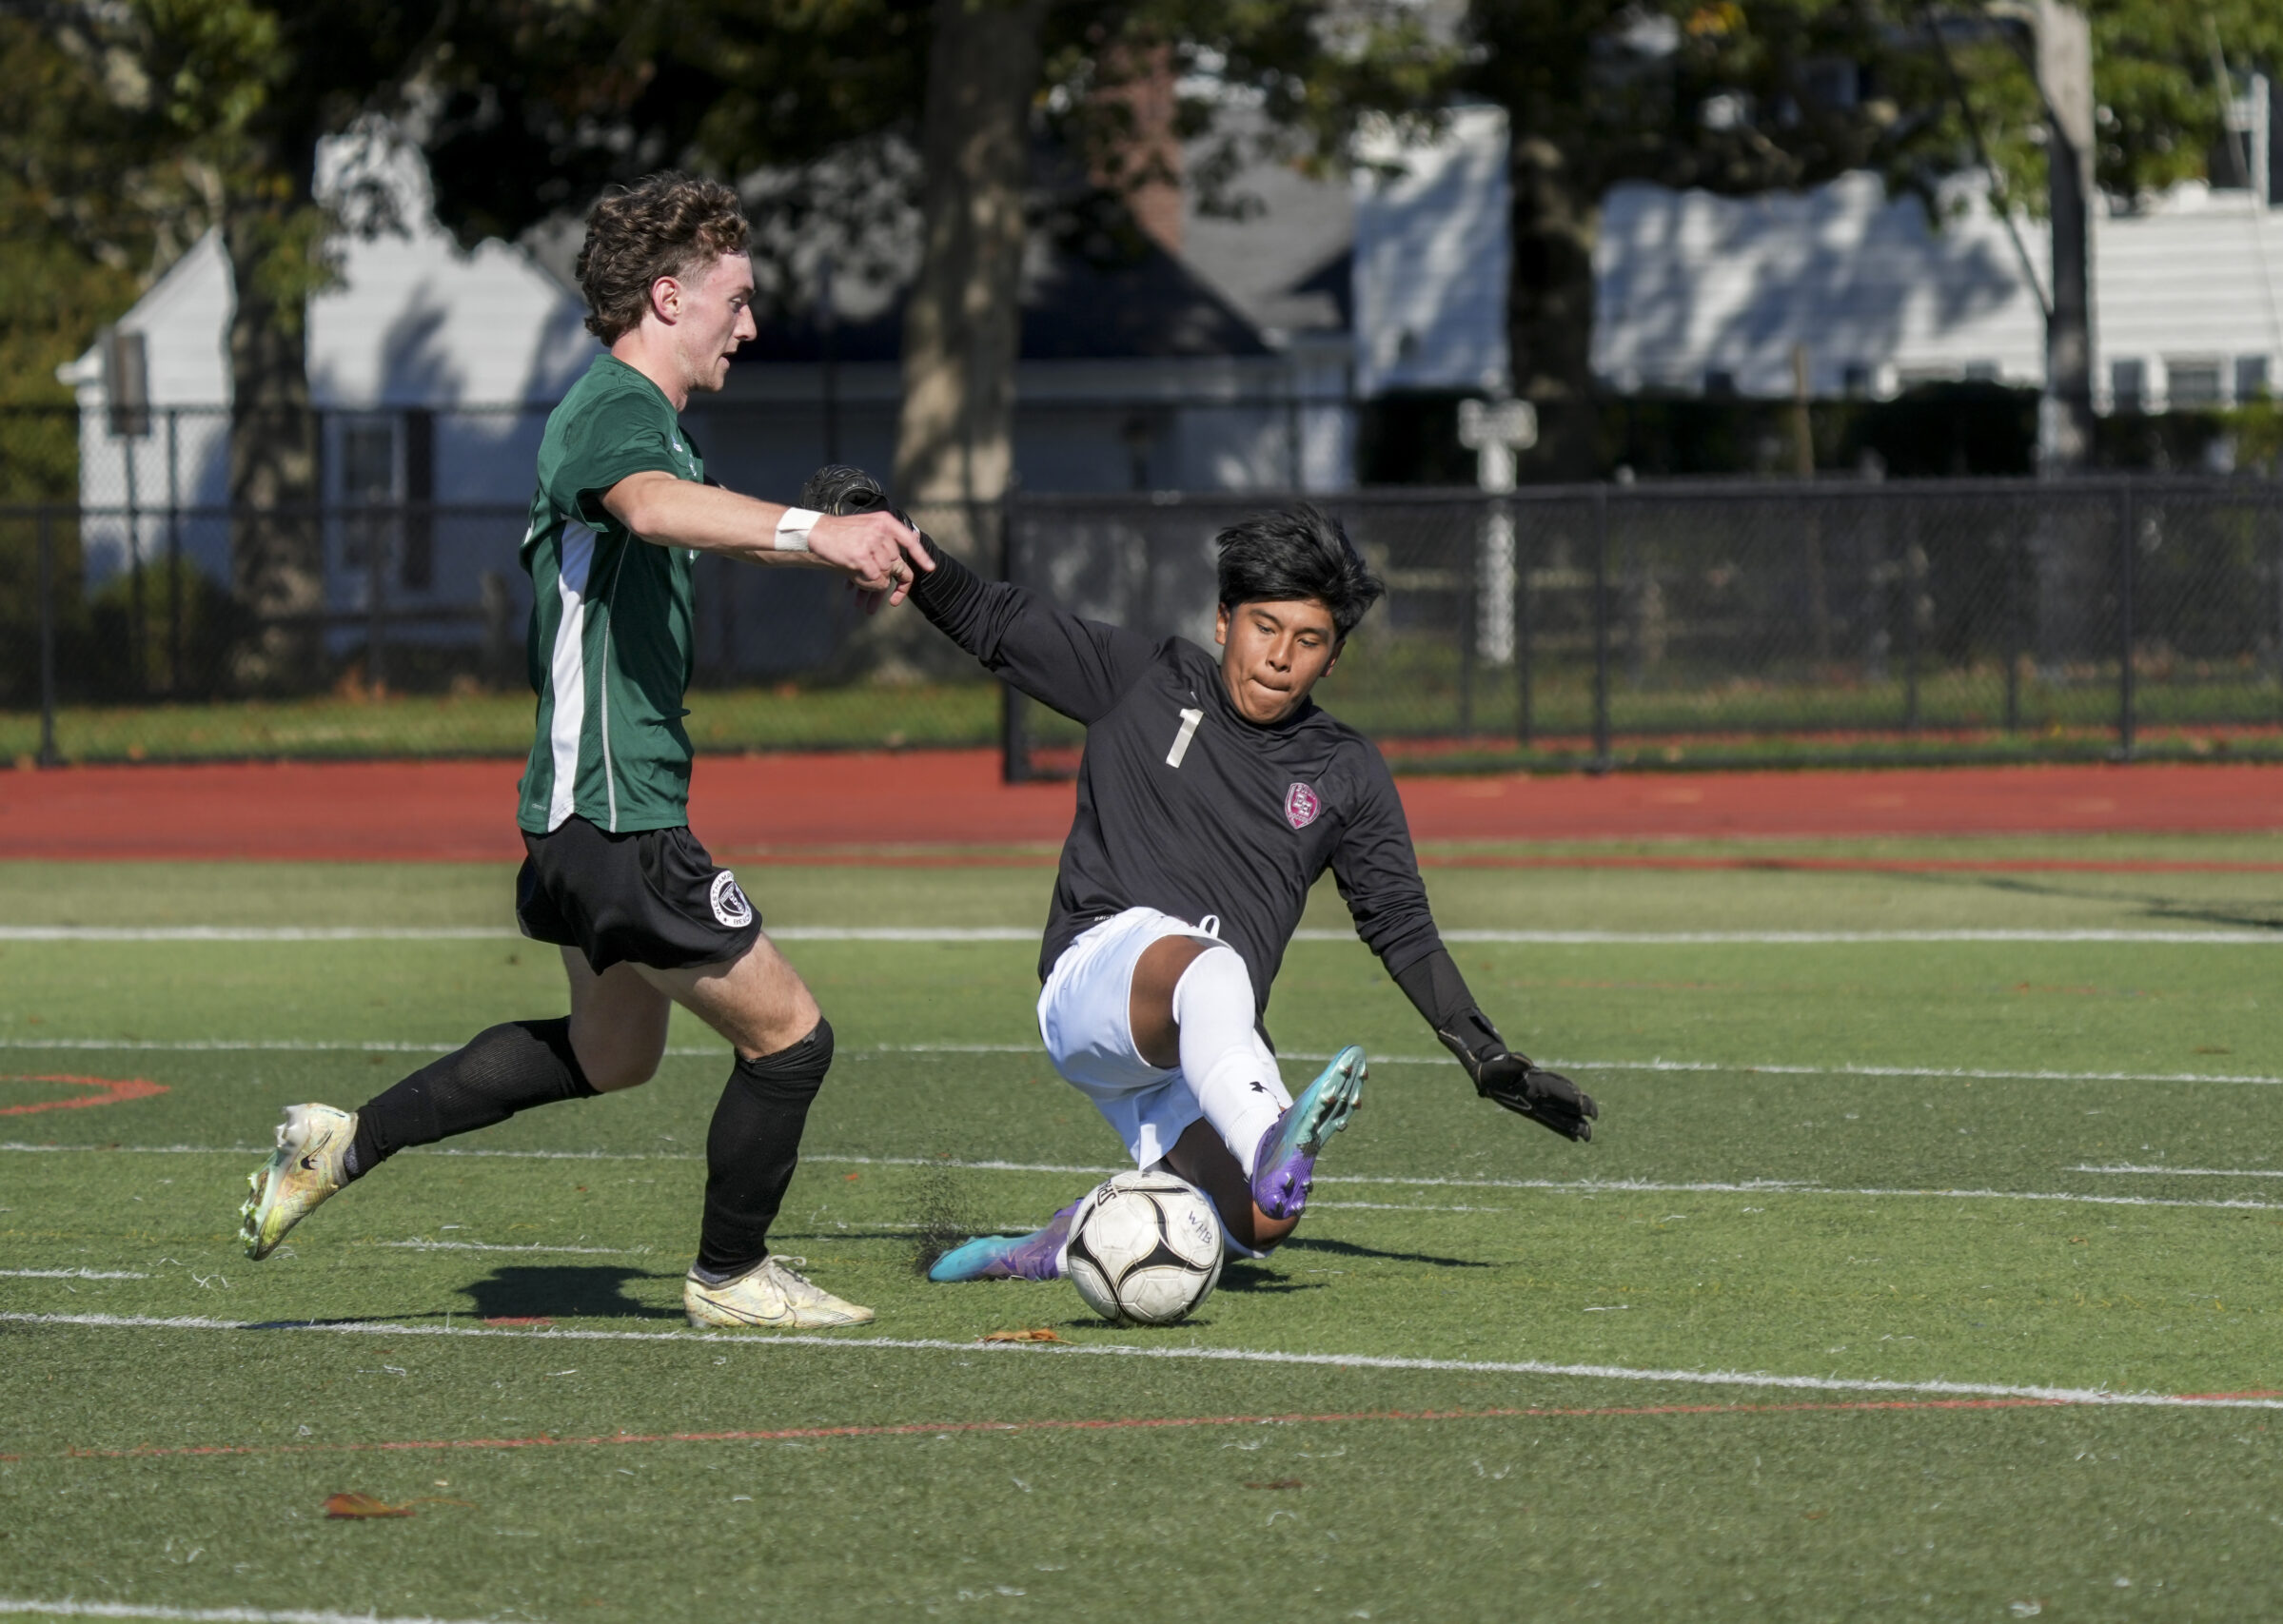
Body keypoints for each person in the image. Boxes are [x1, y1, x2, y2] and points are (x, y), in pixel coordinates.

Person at [235, 173, 929, 1331]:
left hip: (573, 815)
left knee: (613, 1057)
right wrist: (823, 529)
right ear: (667, 296)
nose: (749, 326)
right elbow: (654, 510)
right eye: (735, 301)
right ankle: (731, 1274)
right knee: (792, 1039)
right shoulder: (612, 408)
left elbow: (693, 519)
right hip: (619, 816)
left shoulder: (652, 431)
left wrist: (835, 557)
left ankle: (344, 1143)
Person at [871, 498, 1598, 1280]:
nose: (1281, 656)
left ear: (1334, 657)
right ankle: (1266, 1136)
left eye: (1309, 639)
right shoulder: (1142, 679)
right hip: (1099, 989)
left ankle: (1059, 1241)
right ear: (1224, 620)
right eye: (1265, 626)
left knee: (1261, 1220)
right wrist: (897, 537)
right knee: (1213, 967)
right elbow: (995, 619)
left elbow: (1399, 922)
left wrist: (1482, 1051)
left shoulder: (1346, 770)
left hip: (1200, 1047)